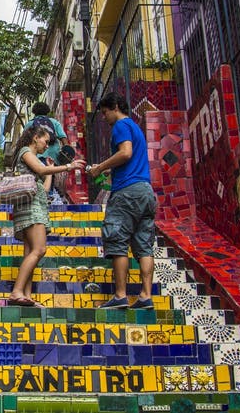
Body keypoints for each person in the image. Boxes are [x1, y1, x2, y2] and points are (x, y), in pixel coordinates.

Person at [87, 91, 157, 309]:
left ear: (115, 107)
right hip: (145, 191)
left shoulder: (120, 126)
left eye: (105, 113)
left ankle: (120, 295)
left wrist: (100, 166)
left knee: (117, 242)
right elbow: (131, 158)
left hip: (126, 193)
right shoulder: (136, 128)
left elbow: (125, 153)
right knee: (144, 246)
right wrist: (110, 172)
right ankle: (145, 296)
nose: (105, 118)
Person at [9, 123, 84, 306]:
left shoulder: (34, 158)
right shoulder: (26, 151)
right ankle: (17, 291)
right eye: (46, 141)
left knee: (30, 252)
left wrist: (49, 173)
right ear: (36, 137)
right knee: (39, 249)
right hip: (31, 208)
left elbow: (44, 187)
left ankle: (26, 295)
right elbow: (41, 171)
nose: (47, 146)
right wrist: (68, 166)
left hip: (36, 205)